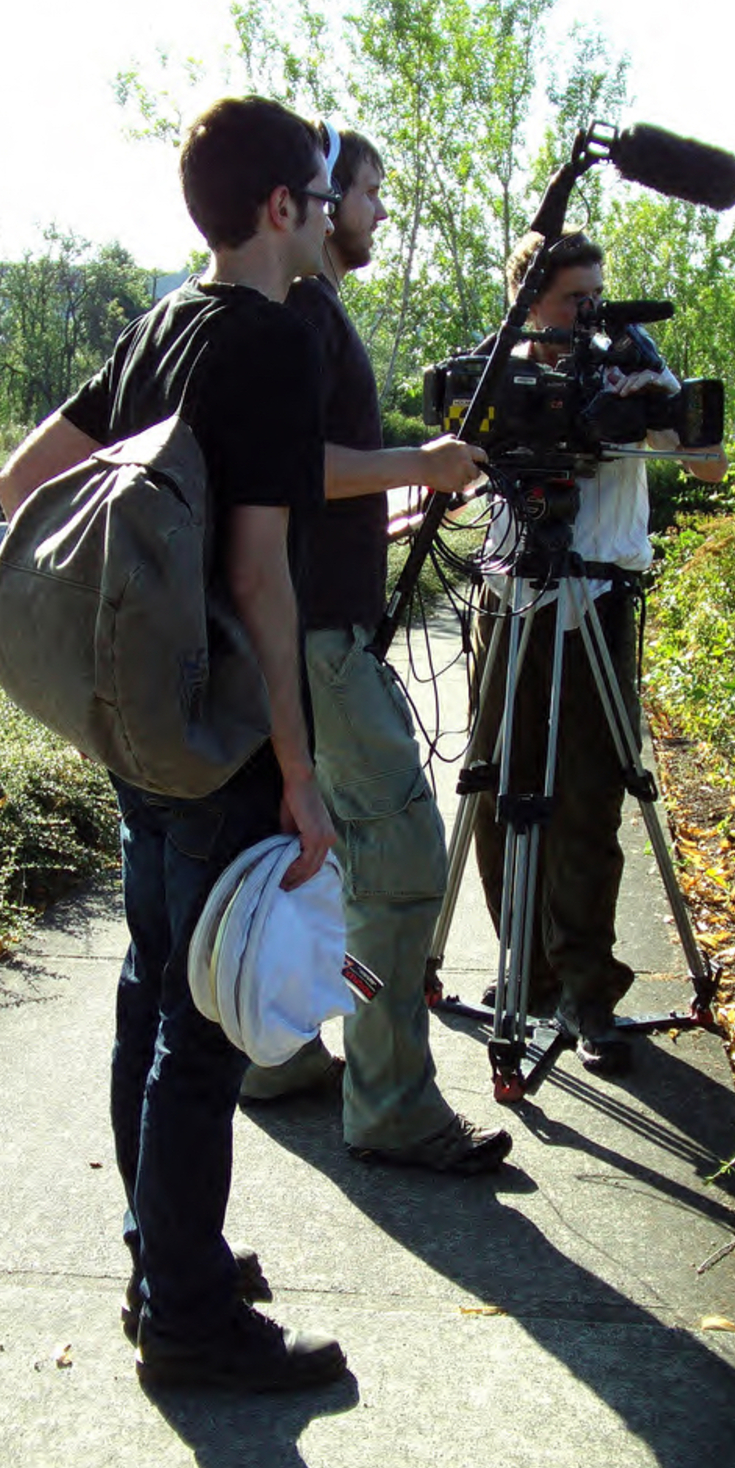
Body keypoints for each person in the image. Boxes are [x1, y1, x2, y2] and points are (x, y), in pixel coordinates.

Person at [0, 96, 347, 1391]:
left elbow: (24, 481)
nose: (323, 215)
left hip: (136, 729)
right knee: (198, 1035)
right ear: (276, 209)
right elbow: (262, 582)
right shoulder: (268, 342)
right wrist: (301, 778)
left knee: (151, 996)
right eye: (316, 193)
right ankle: (189, 1324)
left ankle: (163, 1258)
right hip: (218, 739)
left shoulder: (159, 326)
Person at [240, 130, 514, 1177]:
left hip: (314, 624)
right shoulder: (303, 313)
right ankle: (391, 1102)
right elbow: (291, 464)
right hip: (318, 641)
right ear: (314, 199)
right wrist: (422, 459)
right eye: (365, 194)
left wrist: (397, 508)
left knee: (316, 857)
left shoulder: (303, 310)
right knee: (397, 862)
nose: (374, 212)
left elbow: (304, 488)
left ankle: (274, 1060)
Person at [470, 229, 728, 1072]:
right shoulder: (497, 369)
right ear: (528, 300)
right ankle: (527, 979)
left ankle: (588, 994)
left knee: (588, 800)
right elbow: (454, 460)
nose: (591, 313)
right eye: (574, 298)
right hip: (513, 593)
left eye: (597, 296)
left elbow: (710, 469)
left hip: (600, 595)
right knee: (501, 788)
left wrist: (661, 404)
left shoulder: (631, 362)